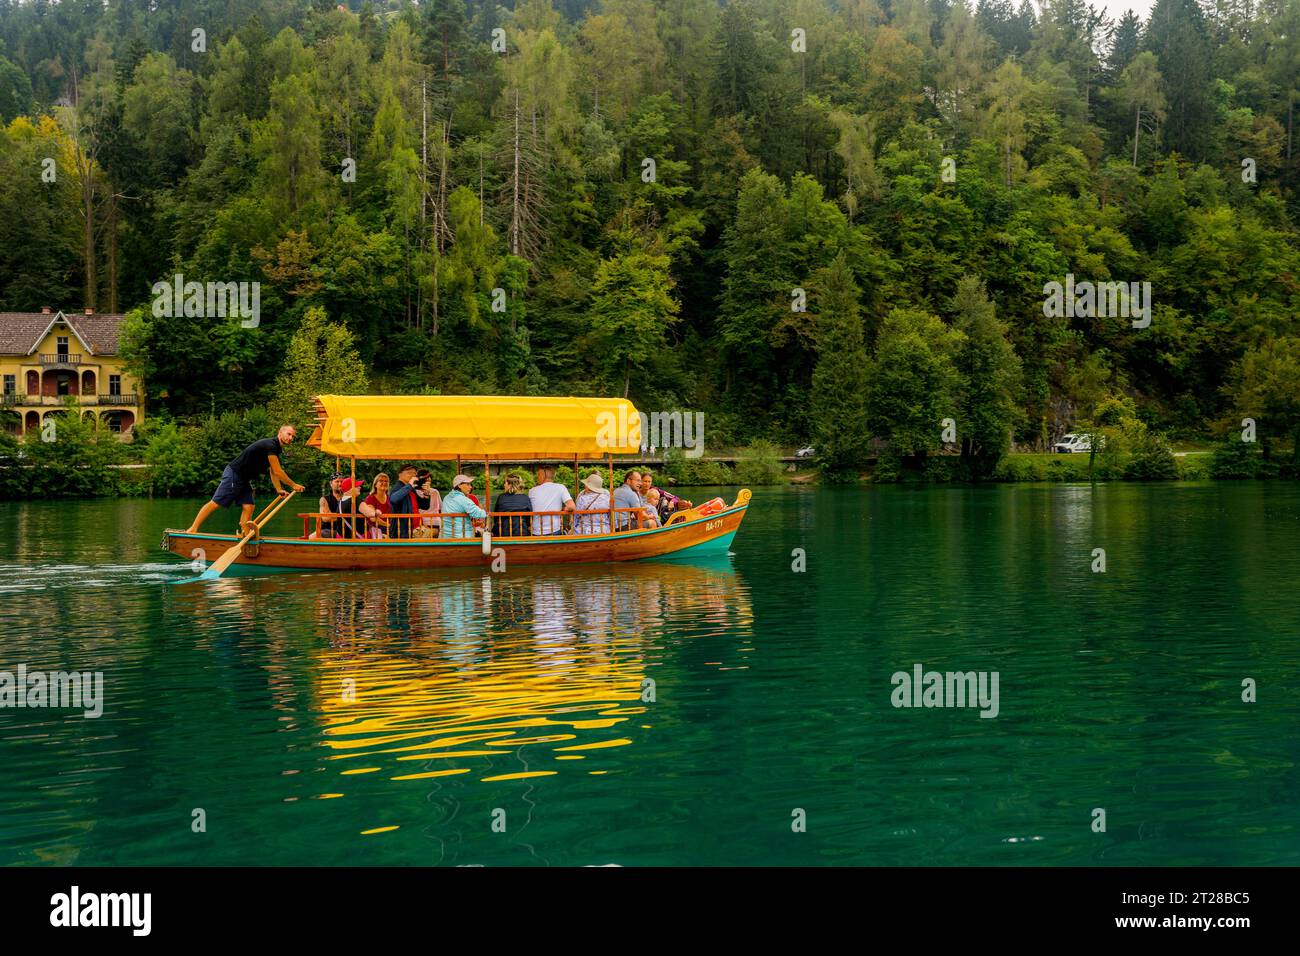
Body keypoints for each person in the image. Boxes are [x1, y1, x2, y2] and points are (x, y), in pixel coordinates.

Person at [185, 424, 306, 534]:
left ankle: (245, 534)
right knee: (216, 503)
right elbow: (279, 472)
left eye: (293, 436)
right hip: (234, 473)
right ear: (280, 433)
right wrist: (293, 485)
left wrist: (278, 489)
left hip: (244, 479)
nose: (291, 438)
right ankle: (193, 528)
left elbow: (273, 471)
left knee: (249, 506)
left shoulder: (277, 448)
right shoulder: (271, 445)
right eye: (288, 434)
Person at [528, 465, 574, 535]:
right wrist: (563, 509)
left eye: (538, 475)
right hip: (554, 531)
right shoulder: (560, 487)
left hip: (536, 532)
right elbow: (572, 507)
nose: (537, 477)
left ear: (543, 476)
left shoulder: (532, 491)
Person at [441, 474, 487, 538]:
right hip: (461, 536)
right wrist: (484, 510)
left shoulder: (446, 497)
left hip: (444, 535)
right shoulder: (463, 499)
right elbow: (480, 514)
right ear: (459, 485)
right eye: (468, 484)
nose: (470, 487)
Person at [387, 464, 420, 539]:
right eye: (409, 472)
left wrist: (426, 493)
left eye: (414, 473)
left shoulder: (411, 488)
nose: (413, 475)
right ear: (400, 474)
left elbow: (424, 506)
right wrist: (410, 485)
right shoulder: (397, 487)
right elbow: (393, 499)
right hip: (402, 531)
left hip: (414, 528)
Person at [360, 472, 393, 539]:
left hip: (389, 528)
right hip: (376, 529)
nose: (384, 483)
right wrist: (387, 525)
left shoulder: (390, 497)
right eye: (381, 481)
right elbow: (372, 518)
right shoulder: (370, 498)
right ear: (375, 484)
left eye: (386, 481)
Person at [415, 468, 442, 536]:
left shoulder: (435, 492)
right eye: (427, 478)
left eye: (429, 477)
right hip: (431, 523)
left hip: (427, 523)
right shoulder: (415, 492)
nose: (428, 479)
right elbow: (441, 509)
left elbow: (440, 508)